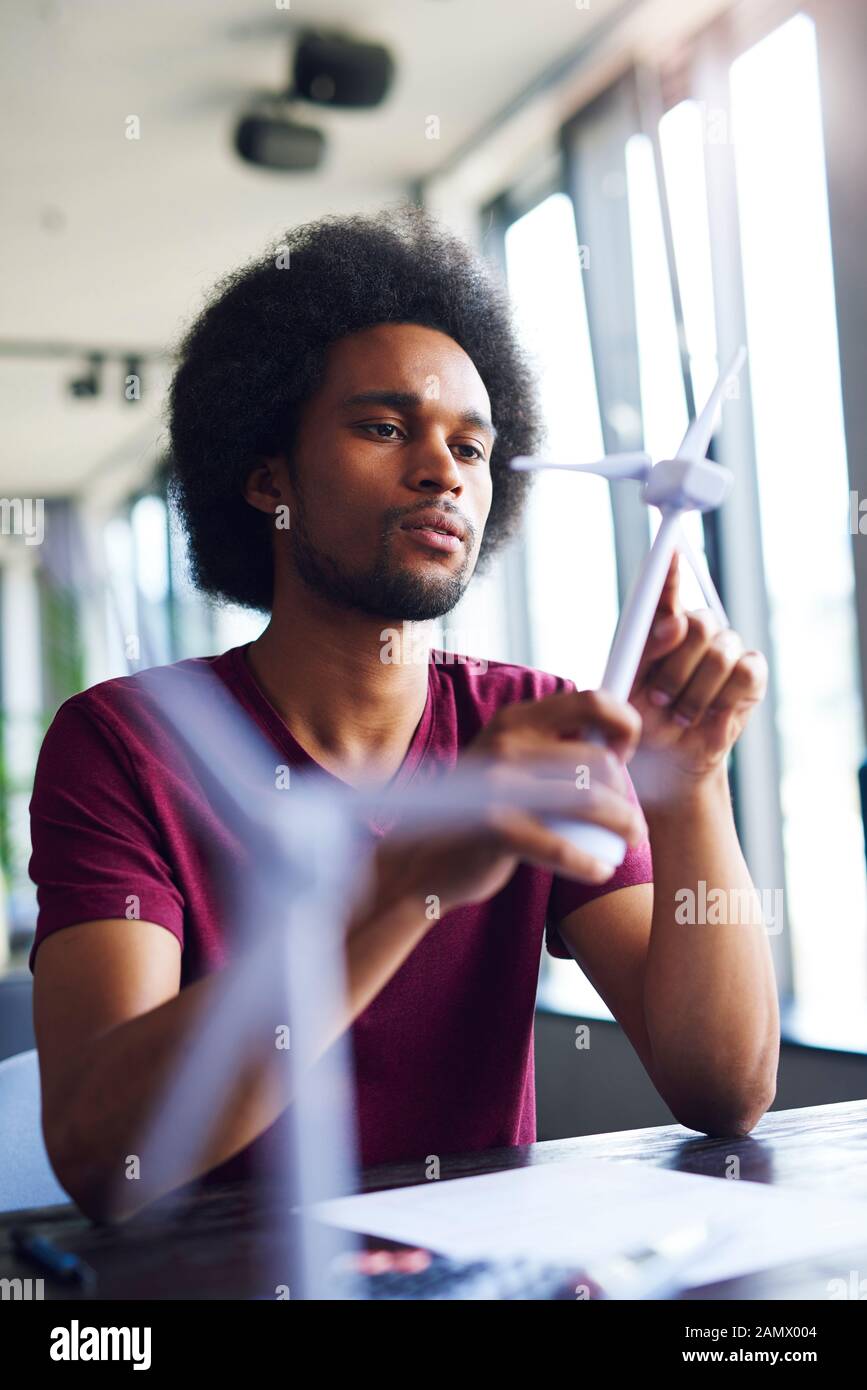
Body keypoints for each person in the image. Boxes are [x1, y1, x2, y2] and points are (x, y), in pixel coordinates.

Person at [29, 204, 779, 1224]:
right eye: (385, 428)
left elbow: (724, 1089)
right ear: (267, 478)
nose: (443, 471)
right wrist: (399, 881)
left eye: (472, 448)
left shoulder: (532, 728)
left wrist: (690, 786)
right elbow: (103, 1158)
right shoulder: (126, 744)